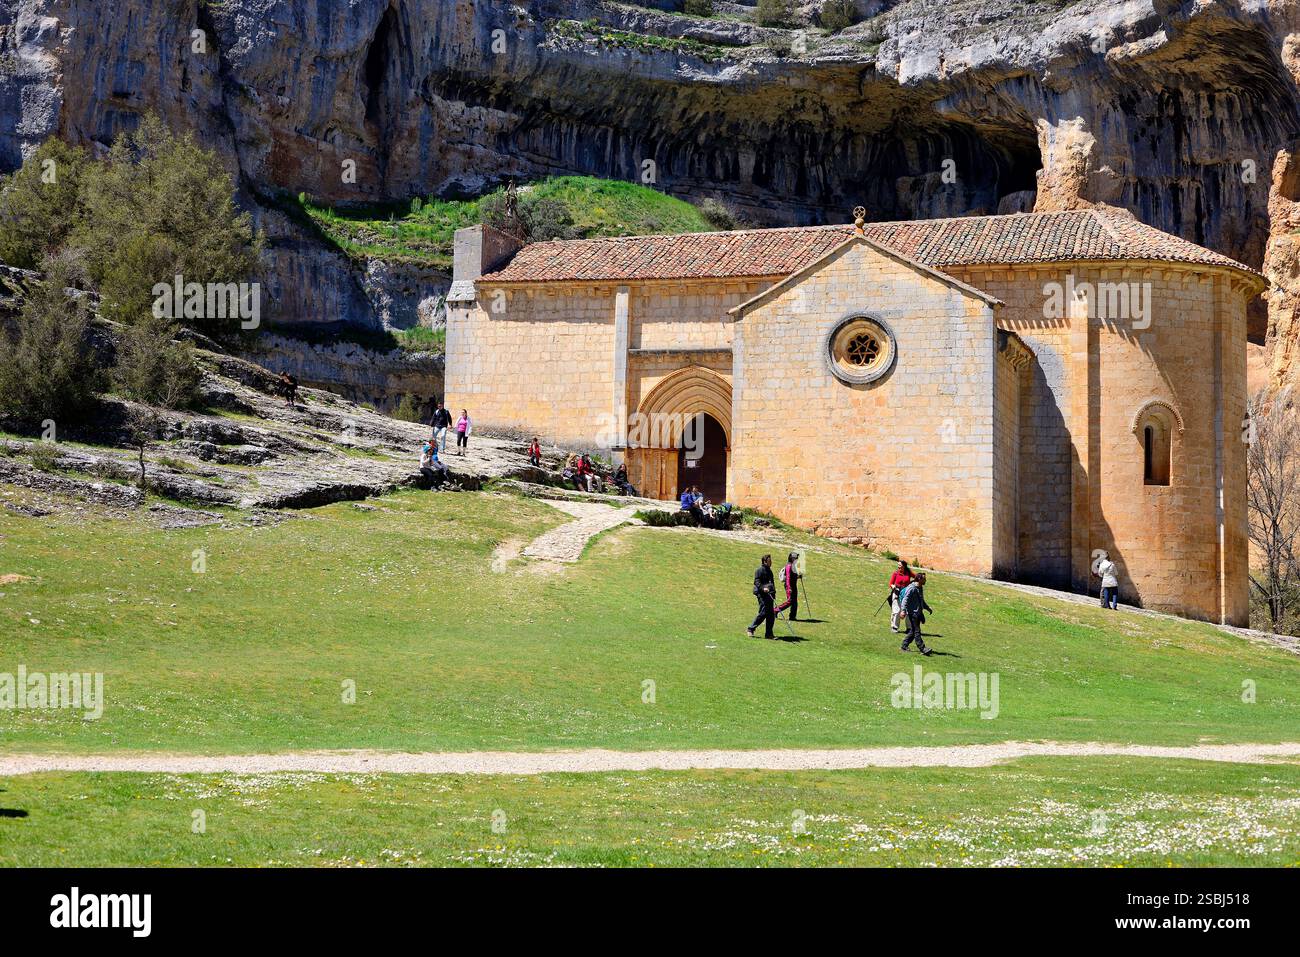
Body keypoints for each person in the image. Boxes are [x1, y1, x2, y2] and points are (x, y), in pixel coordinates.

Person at [899, 574, 934, 655]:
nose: (925, 581)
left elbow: (921, 600)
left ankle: (904, 645)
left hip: (918, 612)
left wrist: (927, 608)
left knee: (913, 631)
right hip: (912, 613)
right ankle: (922, 648)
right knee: (917, 631)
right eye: (924, 579)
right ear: (919, 579)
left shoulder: (920, 588)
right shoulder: (912, 588)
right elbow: (905, 599)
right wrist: (903, 611)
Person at [746, 553, 777, 639]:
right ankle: (750, 629)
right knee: (763, 613)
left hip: (770, 595)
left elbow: (772, 584)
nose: (771, 562)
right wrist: (763, 588)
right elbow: (757, 582)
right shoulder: (759, 570)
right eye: (769, 561)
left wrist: (773, 593)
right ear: (765, 561)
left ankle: (769, 634)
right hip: (762, 594)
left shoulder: (770, 571)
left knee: (771, 614)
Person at [888, 559, 914, 633]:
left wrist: (911, 584)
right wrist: (893, 586)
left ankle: (909, 628)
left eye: (900, 566)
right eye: (898, 566)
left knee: (908, 611)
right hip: (896, 593)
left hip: (906, 594)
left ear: (904, 566)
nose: (899, 567)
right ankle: (894, 627)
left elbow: (917, 577)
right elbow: (890, 583)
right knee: (897, 610)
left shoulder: (908, 573)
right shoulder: (895, 573)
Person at [774, 552, 801, 622]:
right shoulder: (789, 566)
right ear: (792, 558)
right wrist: (789, 588)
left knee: (794, 602)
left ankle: (792, 616)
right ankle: (775, 610)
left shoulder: (793, 566)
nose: (797, 559)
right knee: (790, 601)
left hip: (793, 585)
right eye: (796, 558)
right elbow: (788, 577)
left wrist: (798, 576)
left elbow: (793, 576)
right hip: (789, 585)